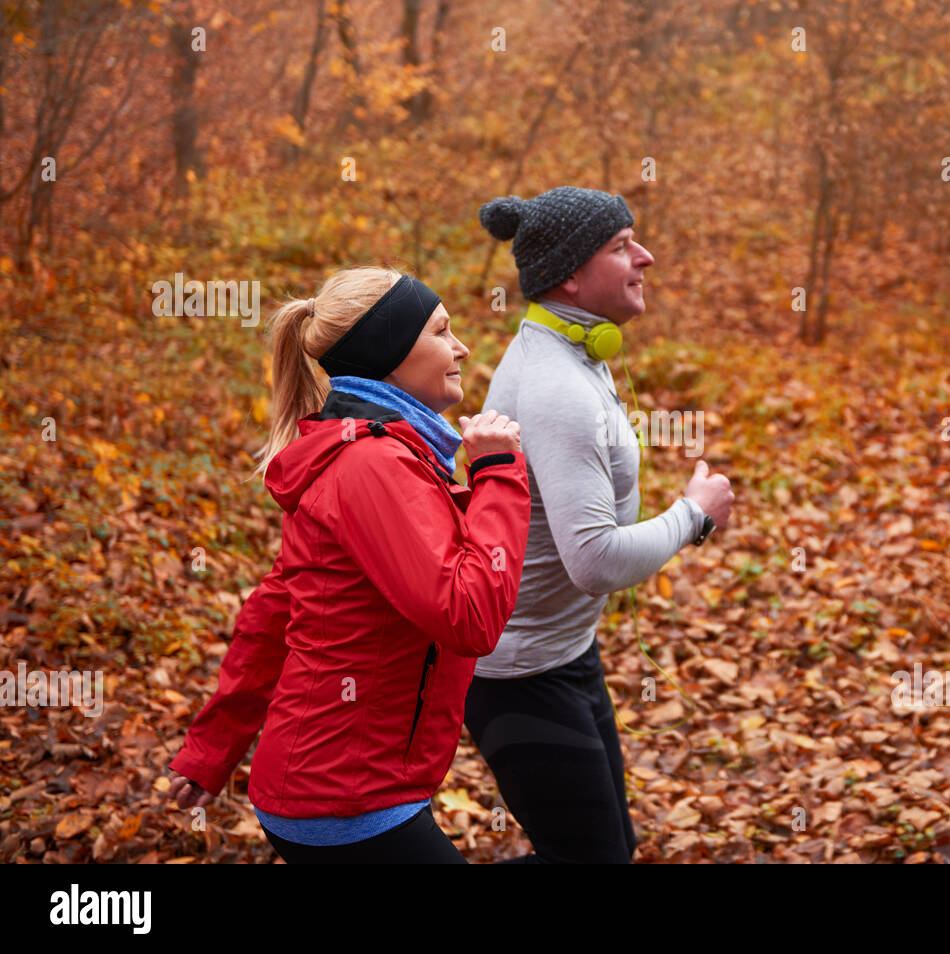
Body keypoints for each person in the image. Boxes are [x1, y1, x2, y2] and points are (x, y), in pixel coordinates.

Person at [166, 266, 532, 863]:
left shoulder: (383, 452)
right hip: (345, 796)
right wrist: (495, 472)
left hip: (344, 785)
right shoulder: (372, 465)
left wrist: (213, 750)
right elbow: (471, 617)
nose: (461, 347)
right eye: (442, 331)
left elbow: (272, 621)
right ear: (391, 352)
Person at [470, 187, 735, 863]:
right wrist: (693, 516)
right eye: (621, 247)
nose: (644, 257)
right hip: (519, 673)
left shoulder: (573, 351)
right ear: (569, 275)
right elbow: (593, 562)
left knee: (608, 849)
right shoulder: (558, 387)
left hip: (563, 655)